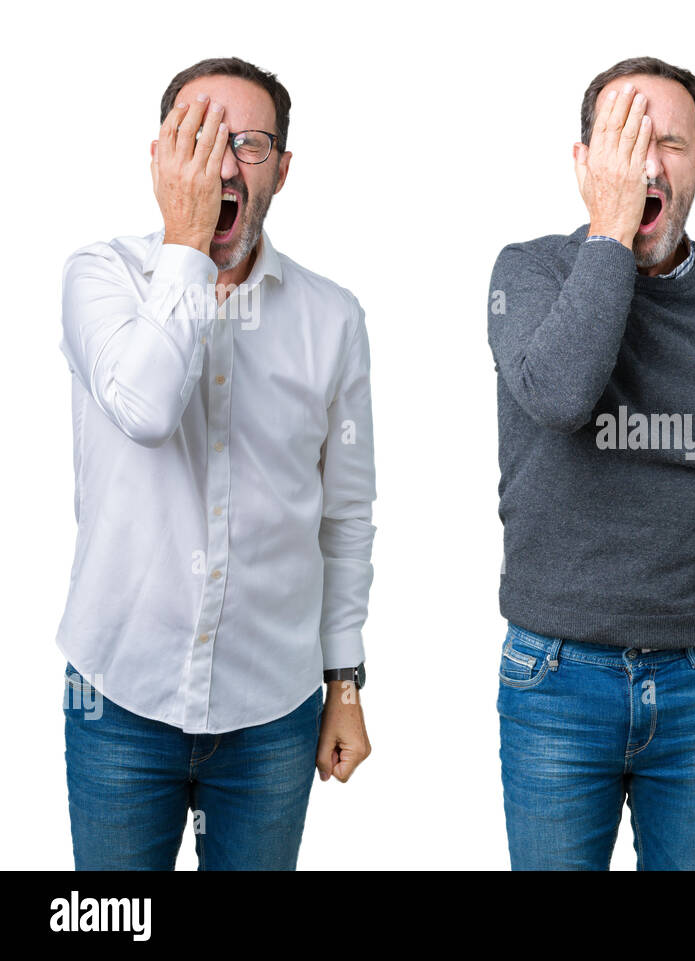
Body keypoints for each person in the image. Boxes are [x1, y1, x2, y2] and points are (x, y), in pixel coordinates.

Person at [487, 56, 695, 870]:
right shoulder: (526, 274)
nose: (647, 163)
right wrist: (610, 234)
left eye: (669, 142)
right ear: (583, 162)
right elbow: (560, 394)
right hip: (555, 677)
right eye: (624, 140)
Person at [58, 57, 375, 870]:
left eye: (250, 143)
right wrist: (188, 246)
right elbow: (147, 408)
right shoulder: (99, 279)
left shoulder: (333, 318)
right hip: (120, 702)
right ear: (162, 155)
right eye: (199, 138)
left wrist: (345, 687)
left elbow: (344, 519)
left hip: (274, 713)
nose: (225, 163)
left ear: (284, 168)